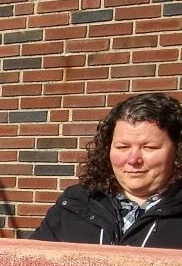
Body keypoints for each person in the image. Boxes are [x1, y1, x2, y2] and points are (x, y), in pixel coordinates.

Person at [31, 92, 182, 248]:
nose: (133, 160)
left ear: (177, 150)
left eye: (149, 147)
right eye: (122, 147)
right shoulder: (74, 203)